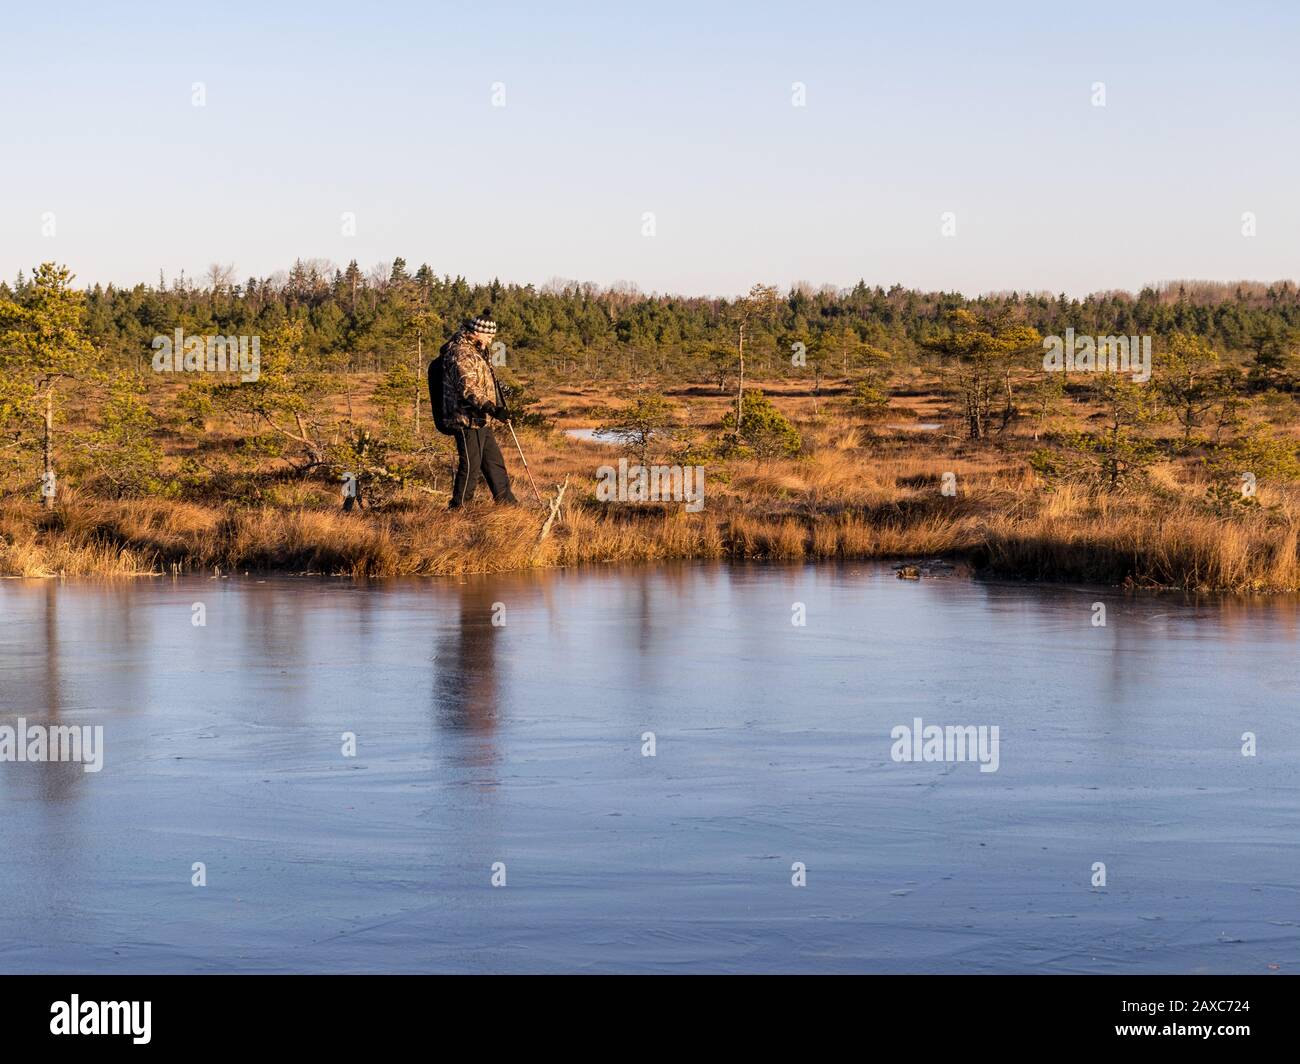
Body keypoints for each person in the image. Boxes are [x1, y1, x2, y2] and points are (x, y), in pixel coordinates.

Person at [439, 310, 519, 509]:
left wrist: (497, 404)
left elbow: (484, 382)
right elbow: (468, 387)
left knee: (494, 463)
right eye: (489, 336)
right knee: (471, 466)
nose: (491, 341)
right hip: (466, 419)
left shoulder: (476, 351)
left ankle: (507, 504)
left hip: (481, 418)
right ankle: (458, 508)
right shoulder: (460, 353)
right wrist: (492, 408)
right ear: (476, 332)